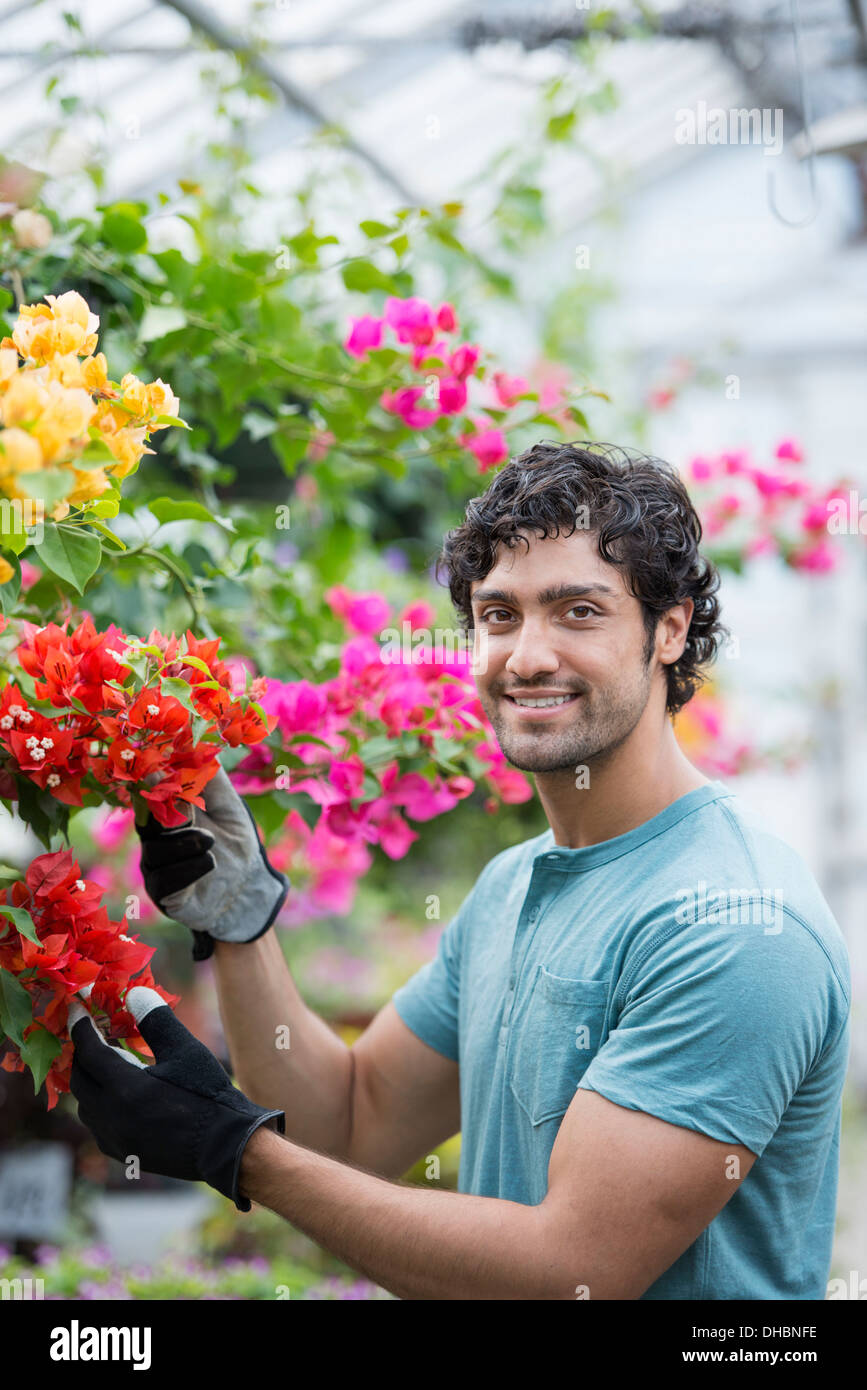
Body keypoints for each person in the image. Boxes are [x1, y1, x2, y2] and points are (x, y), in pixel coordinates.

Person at [70, 440, 851, 1300]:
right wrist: (242, 922)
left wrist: (238, 1151)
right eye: (499, 614)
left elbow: (572, 1274)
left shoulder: (734, 924)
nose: (526, 656)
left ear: (668, 630)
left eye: (579, 611)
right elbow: (351, 1127)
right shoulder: (513, 887)